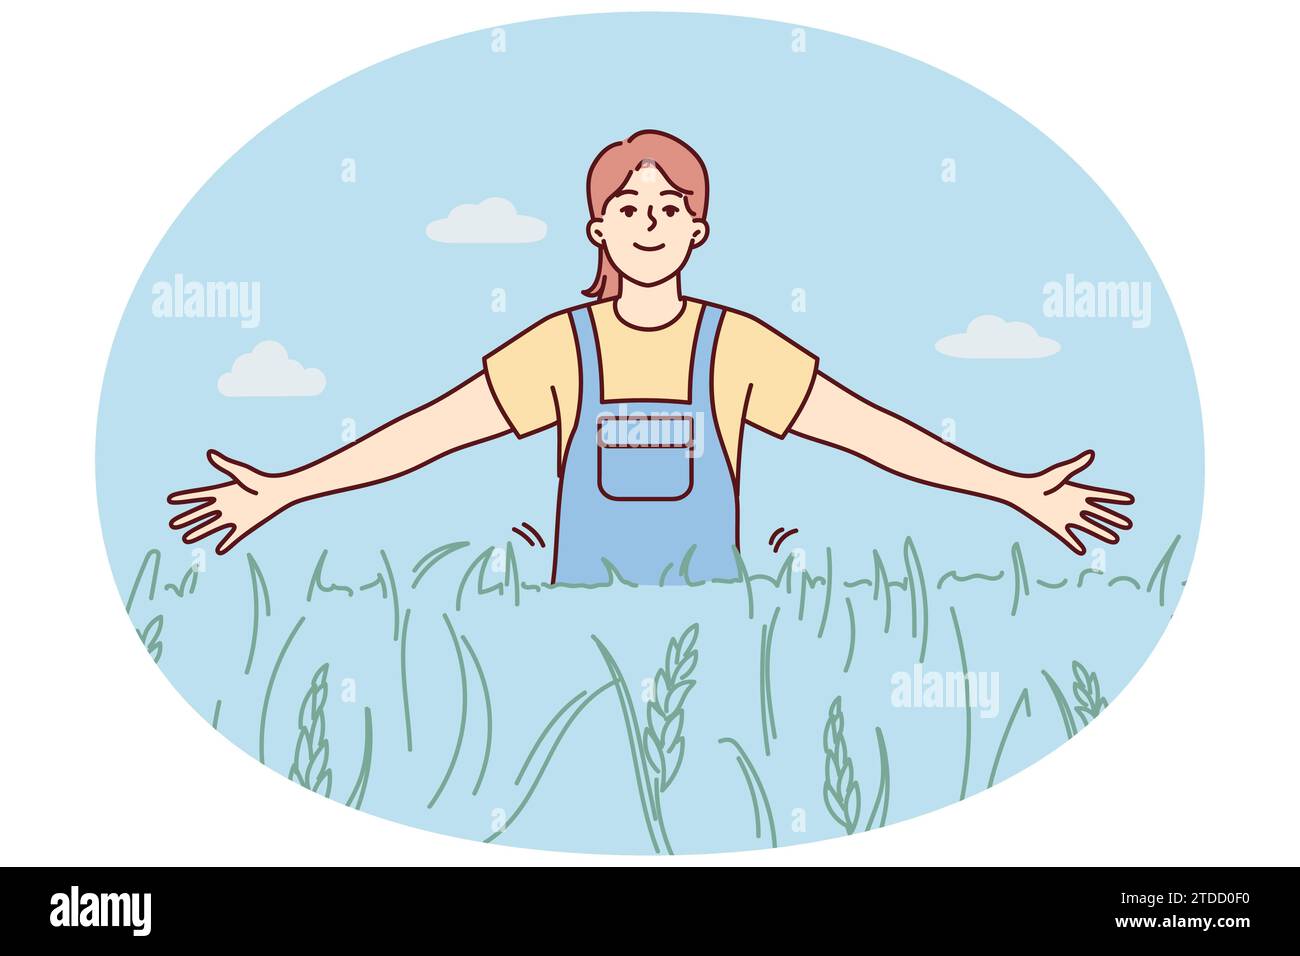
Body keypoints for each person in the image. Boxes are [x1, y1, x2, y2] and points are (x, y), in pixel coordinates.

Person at [168, 130, 1134, 585]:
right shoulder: (561, 348)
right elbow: (431, 433)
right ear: (597, 226)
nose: (648, 224)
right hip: (574, 633)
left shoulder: (736, 347)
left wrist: (1013, 488)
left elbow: (869, 432)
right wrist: (288, 488)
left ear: (698, 228)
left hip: (713, 633)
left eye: (668, 208)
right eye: (629, 208)